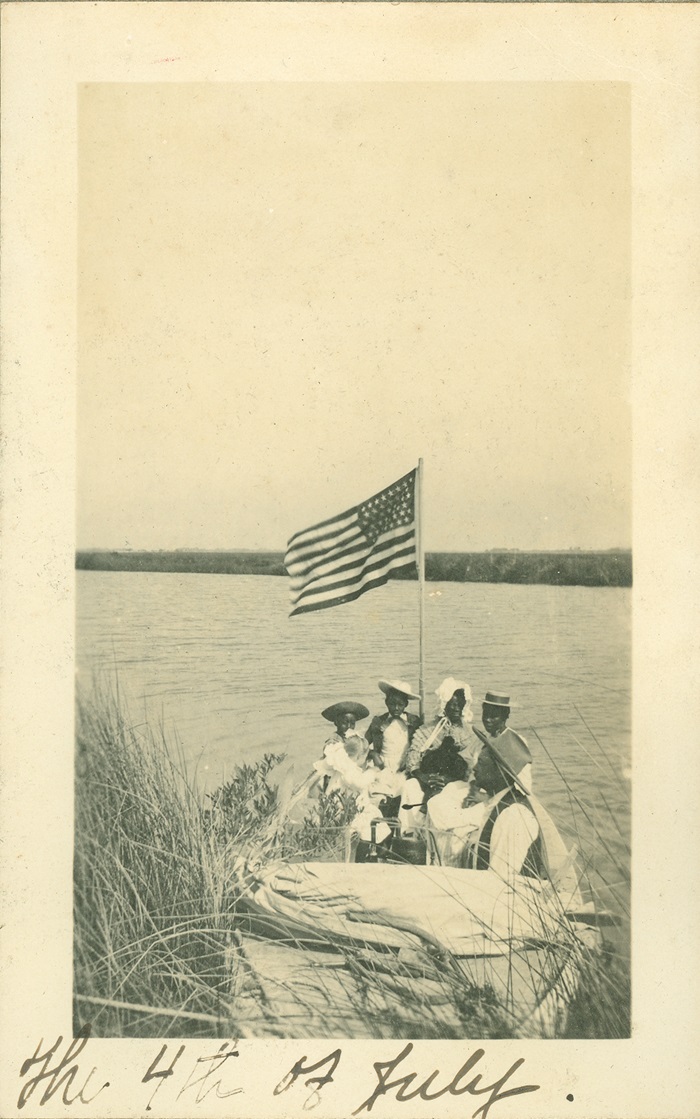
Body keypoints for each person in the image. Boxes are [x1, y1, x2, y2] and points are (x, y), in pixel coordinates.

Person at [365, 679, 422, 814]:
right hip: (383, 766)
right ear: (386, 703)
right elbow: (364, 744)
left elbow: (421, 744)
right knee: (376, 792)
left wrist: (410, 764)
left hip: (404, 767)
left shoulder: (413, 721)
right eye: (392, 704)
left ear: (406, 704)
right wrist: (373, 755)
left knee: (405, 792)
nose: (396, 708)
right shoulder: (378, 721)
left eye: (400, 704)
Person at [312, 700, 372, 797]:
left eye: (352, 723)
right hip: (337, 781)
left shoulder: (353, 738)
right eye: (345, 723)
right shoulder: (332, 743)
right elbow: (328, 772)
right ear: (336, 722)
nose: (349, 727)